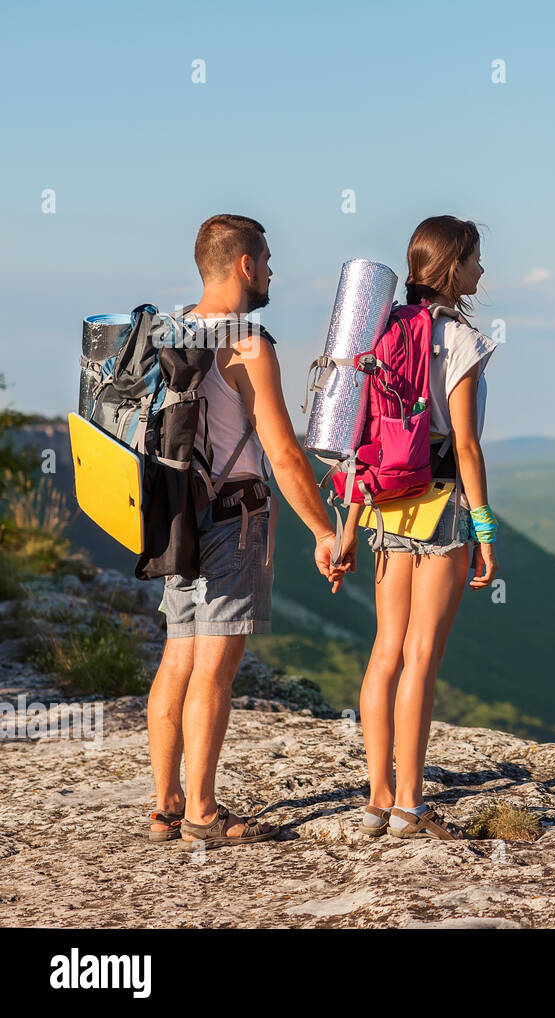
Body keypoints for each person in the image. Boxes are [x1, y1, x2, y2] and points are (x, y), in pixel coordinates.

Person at [146, 214, 343, 849]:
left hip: (173, 514)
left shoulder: (169, 329)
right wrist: (323, 529)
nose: (271, 273)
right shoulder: (249, 344)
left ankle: (165, 805)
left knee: (177, 656)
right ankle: (203, 813)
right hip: (233, 518)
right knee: (215, 670)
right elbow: (284, 454)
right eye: (266, 260)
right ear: (243, 266)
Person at [334, 215, 501, 839]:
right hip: (441, 504)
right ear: (453, 267)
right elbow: (467, 445)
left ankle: (376, 798)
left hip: (384, 502)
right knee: (422, 658)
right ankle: (409, 804)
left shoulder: (389, 329)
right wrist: (484, 529)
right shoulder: (460, 340)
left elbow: (368, 439)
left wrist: (350, 524)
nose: (482, 270)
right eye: (476, 259)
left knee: (384, 653)